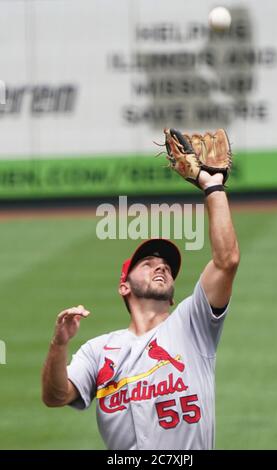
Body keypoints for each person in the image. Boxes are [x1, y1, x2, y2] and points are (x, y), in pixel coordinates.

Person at [41, 169, 240, 450]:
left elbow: (226, 261)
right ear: (124, 286)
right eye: (147, 263)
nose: (161, 266)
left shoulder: (192, 323)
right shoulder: (98, 351)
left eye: (167, 267)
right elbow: (55, 396)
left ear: (172, 297)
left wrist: (213, 187)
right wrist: (58, 345)